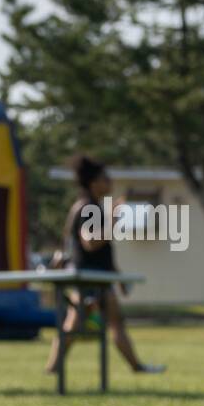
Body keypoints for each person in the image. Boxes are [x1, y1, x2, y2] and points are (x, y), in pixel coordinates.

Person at [44, 155, 164, 375]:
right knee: (107, 324)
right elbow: (89, 243)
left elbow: (98, 250)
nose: (110, 181)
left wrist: (117, 277)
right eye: (105, 178)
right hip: (90, 279)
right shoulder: (89, 207)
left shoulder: (88, 206)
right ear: (93, 183)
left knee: (79, 324)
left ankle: (53, 368)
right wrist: (113, 221)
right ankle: (136, 367)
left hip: (95, 277)